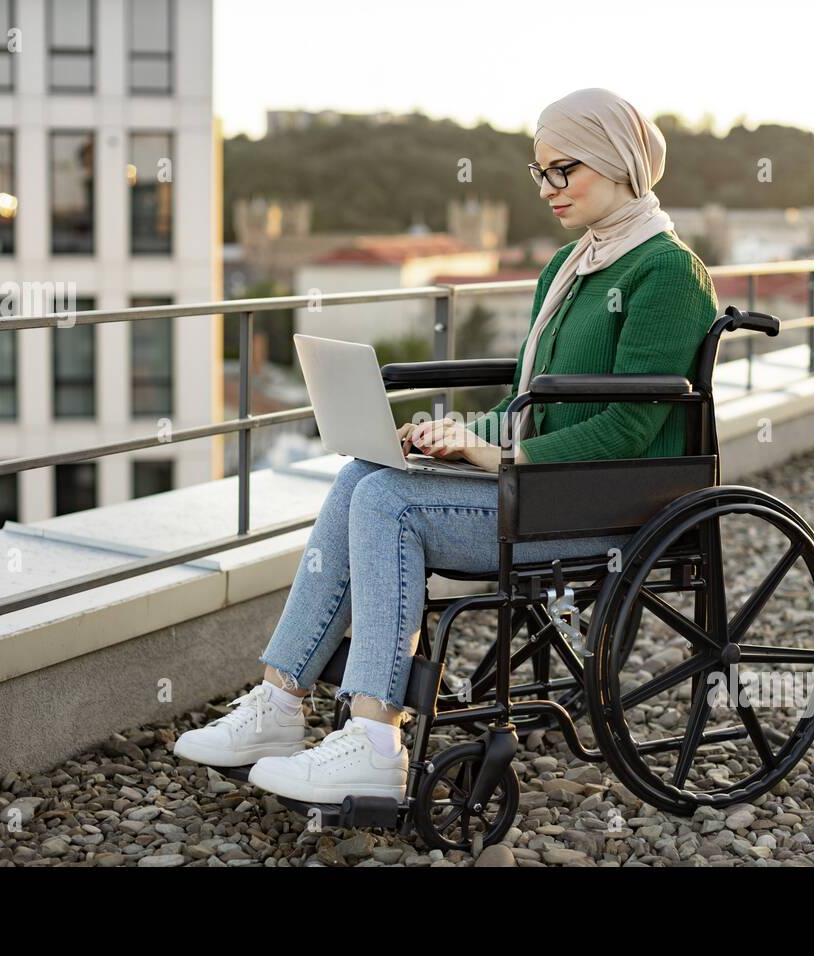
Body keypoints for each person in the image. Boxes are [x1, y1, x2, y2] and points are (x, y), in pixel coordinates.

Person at [173, 88, 719, 805]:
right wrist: (460, 437)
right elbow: (536, 402)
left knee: (389, 504)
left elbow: (625, 428)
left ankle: (373, 740)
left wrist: (500, 457)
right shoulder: (568, 268)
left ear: (619, 165)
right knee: (366, 473)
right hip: (545, 486)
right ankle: (278, 704)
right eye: (540, 173)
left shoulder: (668, 273)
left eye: (565, 170)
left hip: (609, 506)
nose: (549, 189)